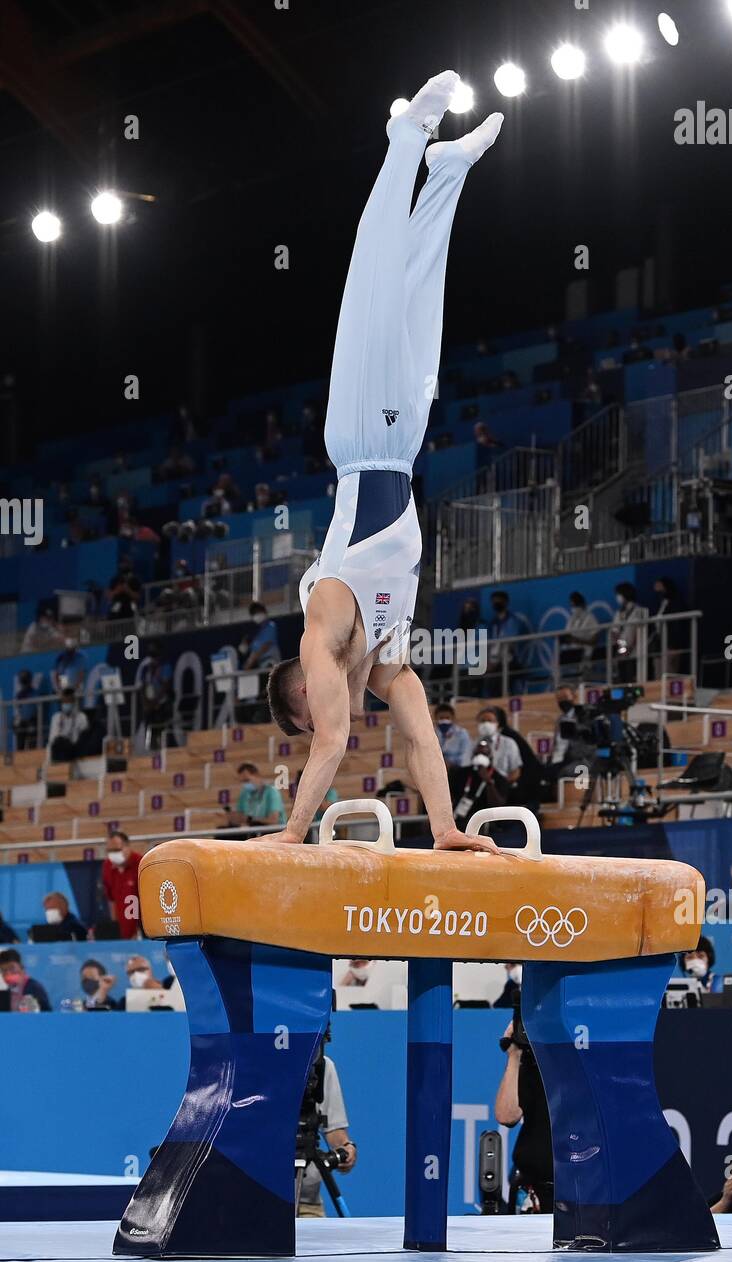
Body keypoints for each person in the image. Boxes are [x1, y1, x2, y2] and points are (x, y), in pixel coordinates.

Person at [264, 72, 504, 854]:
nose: (326, 721)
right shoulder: (387, 660)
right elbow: (417, 741)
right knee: (419, 301)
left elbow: (330, 745)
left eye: (305, 716)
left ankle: (407, 140)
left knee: (374, 284)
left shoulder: (316, 639)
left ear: (302, 690)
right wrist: (442, 827)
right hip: (401, 451)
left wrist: (291, 834)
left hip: (364, 442)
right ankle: (448, 174)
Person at [494, 1012, 552, 1213]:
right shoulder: (531, 1064)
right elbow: (506, 1115)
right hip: (533, 1188)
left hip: (577, 1187)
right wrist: (514, 1054)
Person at [297, 1051, 357, 1218]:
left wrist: (346, 1148)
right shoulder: (253, 1061)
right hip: (259, 1202)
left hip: (307, 1204)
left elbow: (335, 1133)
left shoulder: (322, 1066)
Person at [101, 831, 143, 939]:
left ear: (127, 847)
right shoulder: (107, 866)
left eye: (116, 850)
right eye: (109, 851)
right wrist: (115, 928)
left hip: (141, 928)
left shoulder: (140, 864)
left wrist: (140, 930)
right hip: (121, 928)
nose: (112, 854)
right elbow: (111, 900)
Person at [221, 763, 286, 828]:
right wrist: (230, 816)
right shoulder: (244, 793)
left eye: (247, 780)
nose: (245, 784)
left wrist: (250, 819)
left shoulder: (272, 792)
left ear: (257, 776)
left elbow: (273, 821)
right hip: (253, 830)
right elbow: (241, 818)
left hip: (273, 831)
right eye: (242, 782)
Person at [609, 582, 646, 681]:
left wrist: (628, 649)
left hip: (635, 654)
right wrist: (621, 648)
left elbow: (636, 634)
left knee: (632, 680)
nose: (618, 597)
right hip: (622, 652)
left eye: (619, 594)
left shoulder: (639, 611)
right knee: (622, 680)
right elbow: (615, 632)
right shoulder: (619, 613)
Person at [560, 592, 598, 676]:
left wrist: (578, 641)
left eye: (575, 605)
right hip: (572, 656)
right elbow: (566, 635)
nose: (573, 608)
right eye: (572, 606)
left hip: (585, 655)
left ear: (581, 604)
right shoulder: (571, 619)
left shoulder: (590, 618)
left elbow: (594, 640)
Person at [48, 693, 90, 763]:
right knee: (58, 743)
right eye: (64, 702)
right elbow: (52, 739)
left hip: (74, 749)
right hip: (59, 750)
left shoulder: (81, 717)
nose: (66, 704)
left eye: (68, 702)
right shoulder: (56, 717)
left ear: (73, 703)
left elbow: (84, 737)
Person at [433, 702, 473, 769]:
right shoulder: (432, 734)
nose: (444, 720)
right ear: (436, 719)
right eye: (441, 718)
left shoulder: (462, 734)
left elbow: (465, 756)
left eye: (447, 718)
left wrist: (450, 763)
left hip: (457, 770)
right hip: (436, 768)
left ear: (453, 718)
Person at [52, 623, 87, 697]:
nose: (70, 652)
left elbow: (81, 674)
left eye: (72, 650)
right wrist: (60, 689)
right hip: (64, 683)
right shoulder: (61, 658)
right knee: (66, 702)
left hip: (76, 685)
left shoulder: (79, 657)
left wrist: (76, 687)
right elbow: (57, 674)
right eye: (69, 650)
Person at [12, 669, 39, 750]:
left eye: (25, 680)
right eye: (23, 681)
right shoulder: (19, 695)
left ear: (29, 681)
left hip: (32, 721)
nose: (24, 683)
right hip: (22, 722)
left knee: (32, 744)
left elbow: (35, 709)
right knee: (20, 744)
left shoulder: (34, 693)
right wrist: (16, 722)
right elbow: (17, 711)